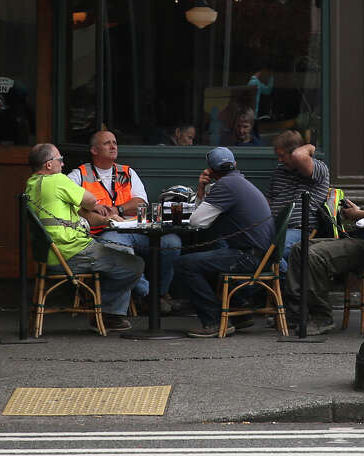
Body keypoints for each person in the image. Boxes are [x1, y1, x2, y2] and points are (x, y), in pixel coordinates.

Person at [25, 142, 144, 333]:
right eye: (60, 160)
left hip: (49, 255)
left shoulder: (31, 185)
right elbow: (89, 200)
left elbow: (76, 217)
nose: (63, 164)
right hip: (71, 252)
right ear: (49, 165)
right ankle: (104, 308)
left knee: (118, 252)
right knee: (134, 265)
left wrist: (105, 220)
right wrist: (95, 205)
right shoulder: (57, 180)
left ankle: (102, 305)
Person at [68, 130, 182, 314]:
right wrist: (100, 214)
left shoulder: (127, 172)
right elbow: (70, 204)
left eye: (114, 142)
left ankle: (159, 294)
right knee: (123, 252)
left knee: (172, 243)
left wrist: (118, 209)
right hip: (104, 232)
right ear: (94, 150)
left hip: (135, 230)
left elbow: (141, 202)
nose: (113, 146)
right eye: (107, 143)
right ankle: (148, 297)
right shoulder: (79, 174)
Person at [174, 147, 274, 338]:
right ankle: (238, 310)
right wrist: (203, 190)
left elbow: (197, 221)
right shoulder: (238, 182)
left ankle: (213, 320)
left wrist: (204, 188)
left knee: (184, 264)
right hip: (261, 254)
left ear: (210, 171)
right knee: (209, 249)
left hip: (248, 257)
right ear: (235, 165)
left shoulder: (226, 186)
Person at [285, 198, 364, 335]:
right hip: (356, 238)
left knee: (313, 255)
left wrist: (358, 214)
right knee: (299, 249)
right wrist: (356, 212)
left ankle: (322, 317)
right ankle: (297, 314)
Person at [265, 130, 329, 274]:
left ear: (295, 151)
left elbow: (299, 156)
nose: (279, 160)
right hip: (273, 229)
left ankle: (288, 288)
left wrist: (310, 146)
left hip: (300, 231)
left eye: (282, 156)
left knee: (271, 250)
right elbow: (268, 201)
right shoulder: (279, 172)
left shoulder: (319, 169)